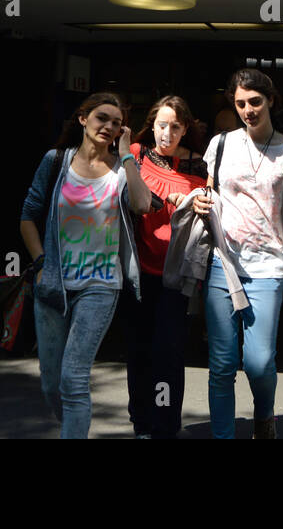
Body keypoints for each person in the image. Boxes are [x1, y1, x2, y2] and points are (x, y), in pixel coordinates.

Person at [19, 91, 153, 439]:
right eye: (101, 118)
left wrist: (127, 158)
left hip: (101, 284)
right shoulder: (56, 161)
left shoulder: (120, 171)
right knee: (51, 384)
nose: (109, 126)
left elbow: (142, 204)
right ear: (82, 119)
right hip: (53, 283)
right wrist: (41, 262)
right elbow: (28, 216)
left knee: (73, 378)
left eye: (117, 123)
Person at [193, 68, 283, 439]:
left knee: (259, 362)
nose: (248, 110)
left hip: (268, 269)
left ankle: (264, 415)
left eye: (255, 102)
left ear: (271, 101)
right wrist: (202, 200)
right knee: (222, 365)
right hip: (222, 265)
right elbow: (211, 193)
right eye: (241, 103)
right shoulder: (221, 144)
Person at [123, 95, 209, 438]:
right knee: (139, 349)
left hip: (178, 276)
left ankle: (167, 424)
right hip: (138, 271)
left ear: (185, 129)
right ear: (152, 124)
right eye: (162, 124)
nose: (167, 133)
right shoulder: (136, 154)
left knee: (169, 353)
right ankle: (141, 422)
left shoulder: (201, 167)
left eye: (175, 126)